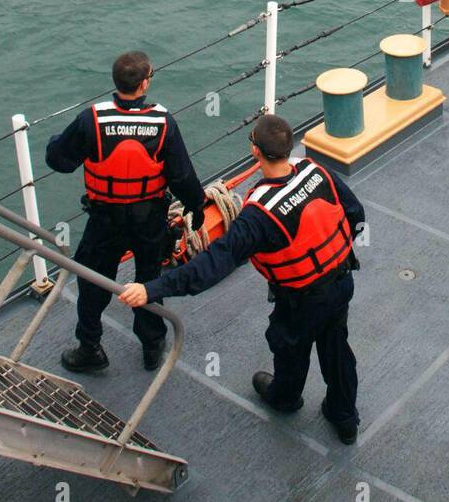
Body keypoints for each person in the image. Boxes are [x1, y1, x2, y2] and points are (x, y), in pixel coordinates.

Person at [120, 113, 365, 445]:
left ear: (256, 152)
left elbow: (210, 265)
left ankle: (285, 398)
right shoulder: (316, 171)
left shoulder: (258, 214)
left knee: (289, 348)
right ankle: (345, 419)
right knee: (337, 348)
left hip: (300, 301)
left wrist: (152, 288)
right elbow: (354, 211)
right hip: (340, 283)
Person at [46, 51, 207, 372]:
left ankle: (90, 347)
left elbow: (59, 160)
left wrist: (56, 141)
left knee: (92, 281)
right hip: (149, 219)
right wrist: (197, 206)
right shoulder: (163, 122)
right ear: (145, 82)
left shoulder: (91, 119)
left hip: (104, 219)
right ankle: (151, 345)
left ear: (116, 83)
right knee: (148, 279)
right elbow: (182, 176)